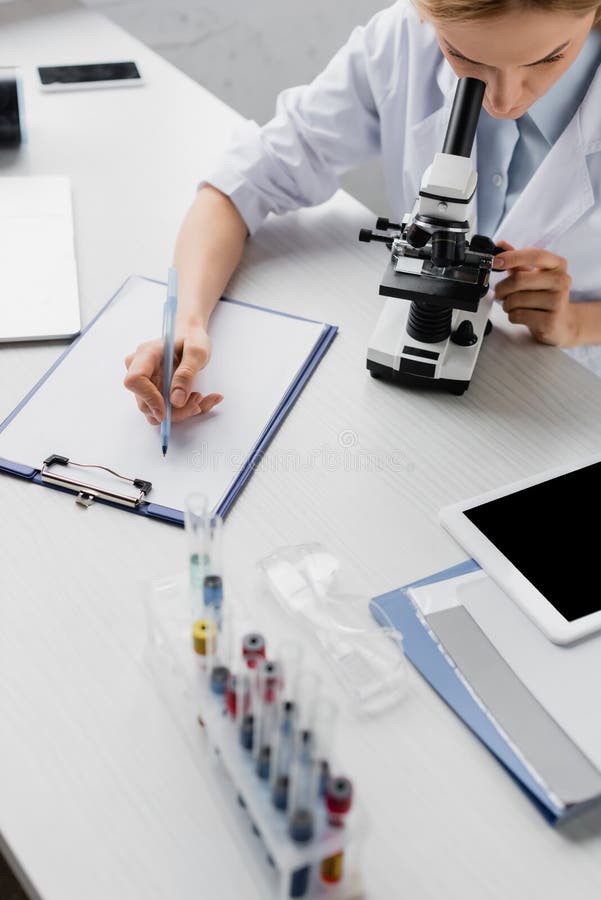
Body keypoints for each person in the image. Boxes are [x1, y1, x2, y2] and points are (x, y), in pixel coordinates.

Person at [124, 0, 601, 424]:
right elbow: (243, 182)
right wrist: (187, 322)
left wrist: (573, 323)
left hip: (570, 400)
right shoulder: (401, 41)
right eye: (464, 56)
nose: (503, 101)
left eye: (547, 58)